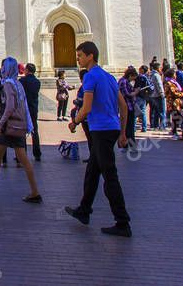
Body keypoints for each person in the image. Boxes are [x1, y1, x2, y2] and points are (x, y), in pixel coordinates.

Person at [64, 41, 132, 238]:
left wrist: (75, 122)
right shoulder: (109, 77)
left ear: (90, 56)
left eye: (80, 56)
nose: (78, 59)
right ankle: (84, 210)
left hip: (100, 130)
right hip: (111, 128)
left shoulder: (91, 77)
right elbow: (124, 107)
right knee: (92, 171)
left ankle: (122, 222)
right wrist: (123, 133)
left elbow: (86, 108)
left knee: (109, 175)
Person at [0, 57, 42, 207]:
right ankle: (34, 191)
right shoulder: (18, 83)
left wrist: (0, 124)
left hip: (9, 127)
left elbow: (10, 106)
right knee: (19, 159)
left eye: (3, 67)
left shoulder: (8, 84)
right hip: (19, 125)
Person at [20, 63, 42, 162]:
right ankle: (37, 153)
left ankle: (22, 154)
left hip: (24, 108)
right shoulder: (37, 82)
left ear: (27, 70)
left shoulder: (22, 81)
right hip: (33, 108)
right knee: (34, 130)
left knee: (22, 132)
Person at [117, 67, 138, 147]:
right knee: (129, 127)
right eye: (133, 77)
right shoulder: (124, 82)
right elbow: (127, 94)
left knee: (125, 127)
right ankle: (130, 144)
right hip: (127, 107)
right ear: (130, 75)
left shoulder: (122, 81)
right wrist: (135, 92)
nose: (133, 79)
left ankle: (125, 144)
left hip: (126, 107)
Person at [148, 62, 165, 130]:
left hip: (152, 95)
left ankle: (155, 125)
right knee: (161, 111)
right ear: (158, 68)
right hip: (158, 95)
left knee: (155, 111)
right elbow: (159, 85)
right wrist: (162, 94)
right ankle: (162, 126)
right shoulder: (156, 75)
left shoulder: (150, 74)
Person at [134, 66, 151, 133]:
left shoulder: (139, 77)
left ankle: (134, 128)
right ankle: (144, 127)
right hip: (144, 96)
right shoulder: (146, 77)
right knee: (143, 112)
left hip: (138, 96)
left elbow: (136, 86)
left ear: (142, 70)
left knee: (135, 112)